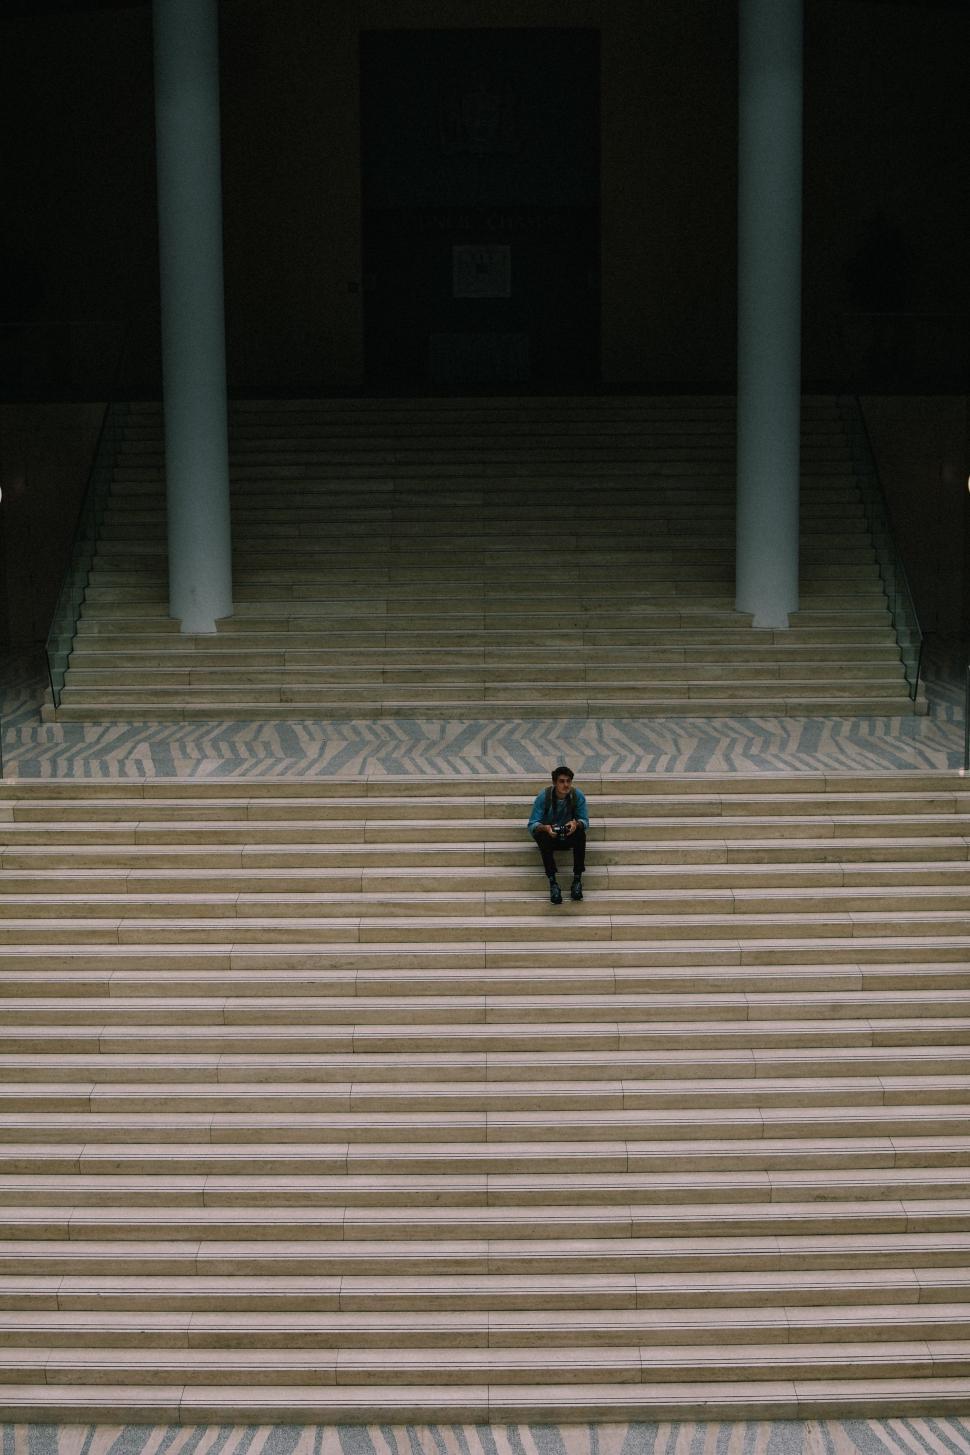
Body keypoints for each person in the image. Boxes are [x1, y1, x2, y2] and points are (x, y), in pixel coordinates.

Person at [527, 765, 589, 904]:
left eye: (568, 781)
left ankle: (577, 880)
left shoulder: (577, 795)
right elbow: (532, 824)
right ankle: (553, 882)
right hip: (550, 836)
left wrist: (575, 824)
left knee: (580, 833)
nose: (565, 785)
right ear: (555, 782)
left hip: (568, 835)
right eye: (561, 781)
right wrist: (546, 828)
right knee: (541, 835)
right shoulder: (544, 796)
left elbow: (585, 821)